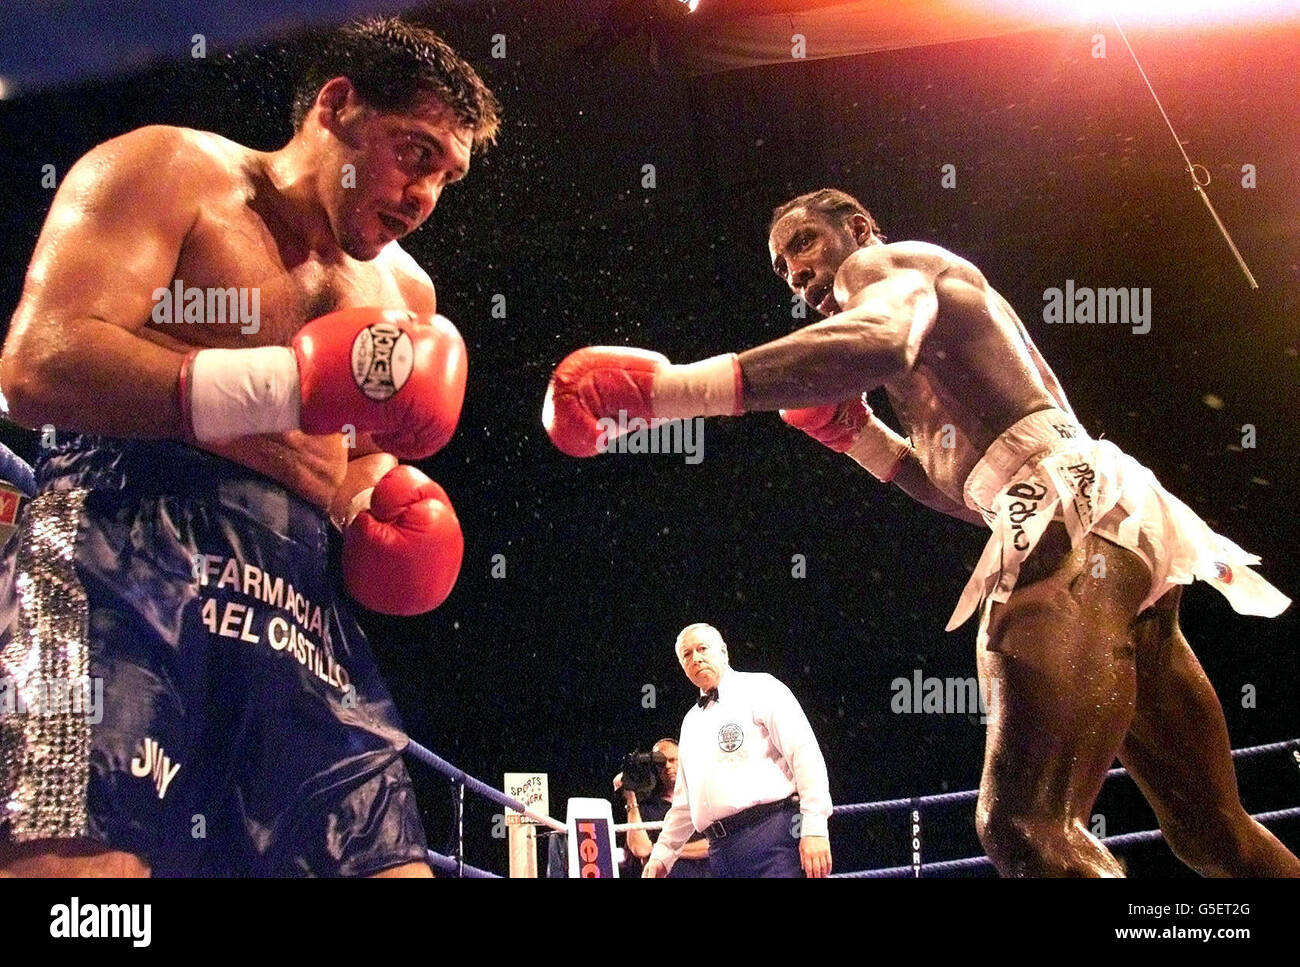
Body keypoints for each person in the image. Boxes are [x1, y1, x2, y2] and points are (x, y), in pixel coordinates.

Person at [544, 188, 1299, 877]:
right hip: (1092, 515)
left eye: (804, 244)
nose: (797, 274)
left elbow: (881, 340)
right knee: (1212, 830)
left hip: (1070, 514)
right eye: (782, 268)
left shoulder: (882, 267)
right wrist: (861, 439)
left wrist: (672, 391)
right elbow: (975, 492)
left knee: (1024, 828)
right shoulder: (931, 364)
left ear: (856, 228)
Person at [0, 17, 499, 877]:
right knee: (81, 876)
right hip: (123, 542)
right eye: (414, 153)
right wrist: (286, 387)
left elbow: (345, 454)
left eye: (445, 176)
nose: (424, 195)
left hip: (296, 594)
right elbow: (39, 364)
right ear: (337, 106)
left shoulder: (407, 293)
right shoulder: (171, 169)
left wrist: (375, 501)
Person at [642, 624, 832, 878]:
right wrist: (662, 856)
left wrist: (815, 827)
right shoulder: (691, 723)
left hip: (773, 835)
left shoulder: (761, 688)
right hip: (720, 852)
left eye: (702, 648)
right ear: (683, 666)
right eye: (687, 654)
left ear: (723, 651)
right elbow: (685, 803)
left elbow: (804, 754)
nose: (696, 658)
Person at [616, 738, 711, 877]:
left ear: (683, 760)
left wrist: (662, 851)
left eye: (672, 760)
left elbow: (711, 845)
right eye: (661, 763)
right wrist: (630, 796)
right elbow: (641, 849)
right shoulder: (647, 807)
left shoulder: (701, 798)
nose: (667, 766)